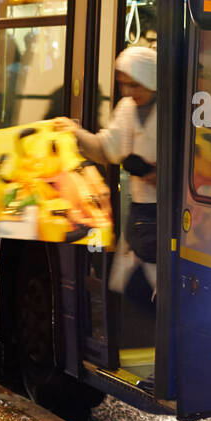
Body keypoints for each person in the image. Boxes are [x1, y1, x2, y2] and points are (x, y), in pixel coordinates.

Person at [55, 46, 158, 304]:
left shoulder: (175, 109)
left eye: (135, 85)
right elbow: (106, 149)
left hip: (170, 215)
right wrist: (74, 131)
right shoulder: (126, 108)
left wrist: (156, 173)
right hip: (140, 215)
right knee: (138, 290)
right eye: (124, 85)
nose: (128, 93)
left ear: (152, 79)